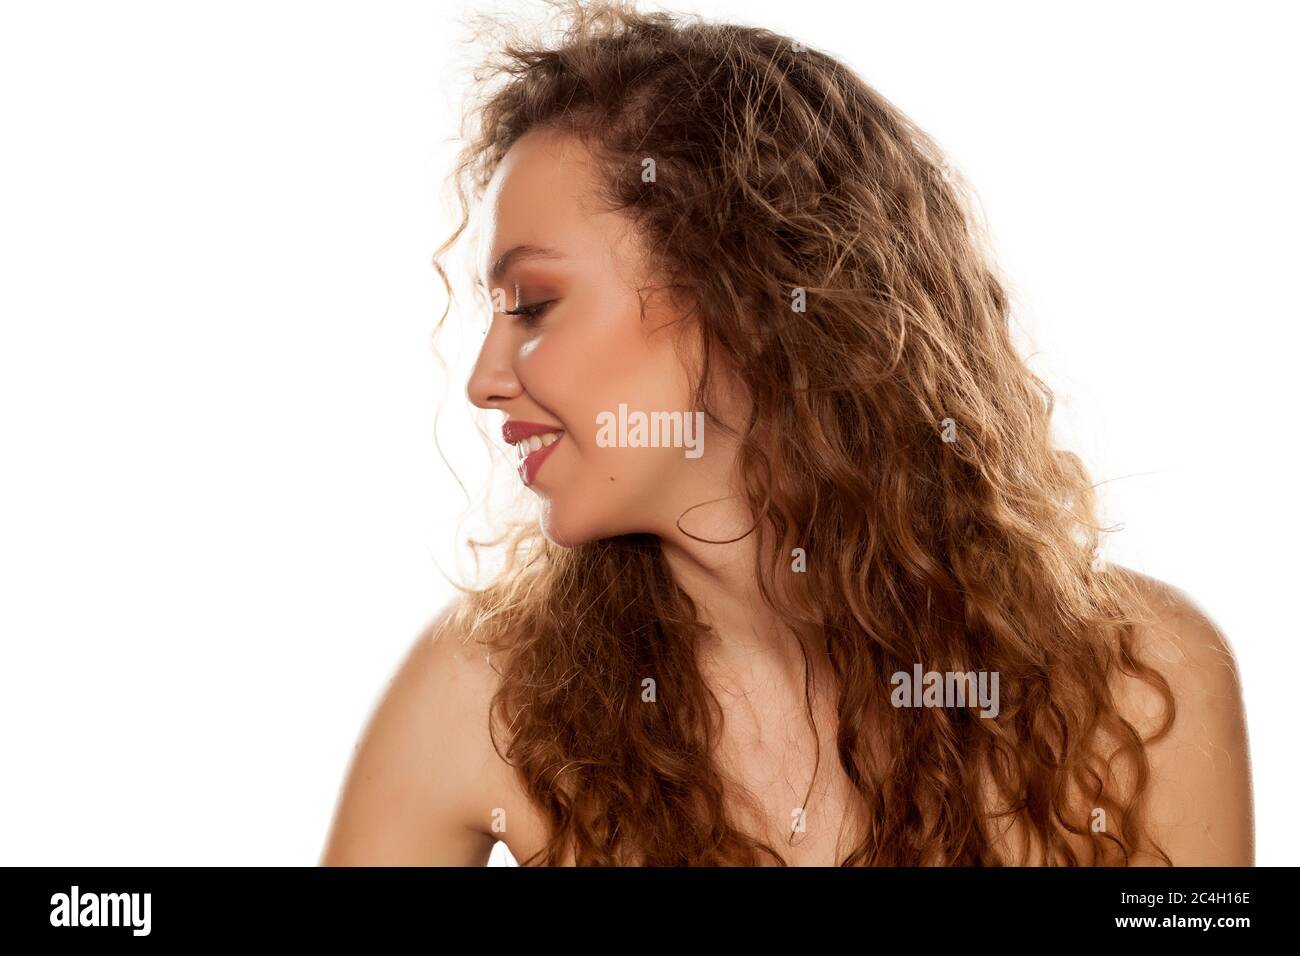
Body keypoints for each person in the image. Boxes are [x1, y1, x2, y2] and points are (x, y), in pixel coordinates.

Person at [321, 0, 1253, 866]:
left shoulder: (1142, 688)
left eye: (533, 304)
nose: (486, 381)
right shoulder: (485, 694)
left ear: (745, 301)